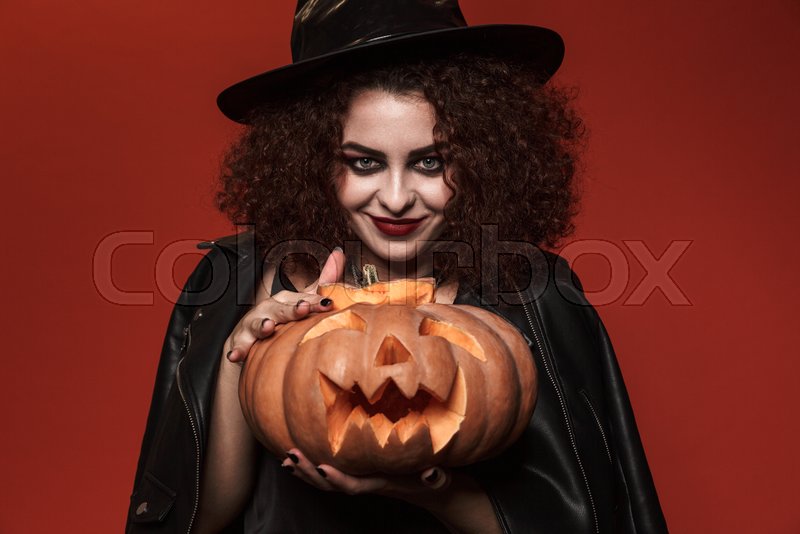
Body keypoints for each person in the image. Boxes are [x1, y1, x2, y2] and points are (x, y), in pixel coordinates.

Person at [126, 1, 668, 532]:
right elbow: (198, 520)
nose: (396, 197)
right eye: (364, 162)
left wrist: (436, 495)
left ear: (482, 160)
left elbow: (584, 519)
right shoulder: (235, 278)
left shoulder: (534, 289)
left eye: (430, 162)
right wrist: (241, 352)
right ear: (309, 160)